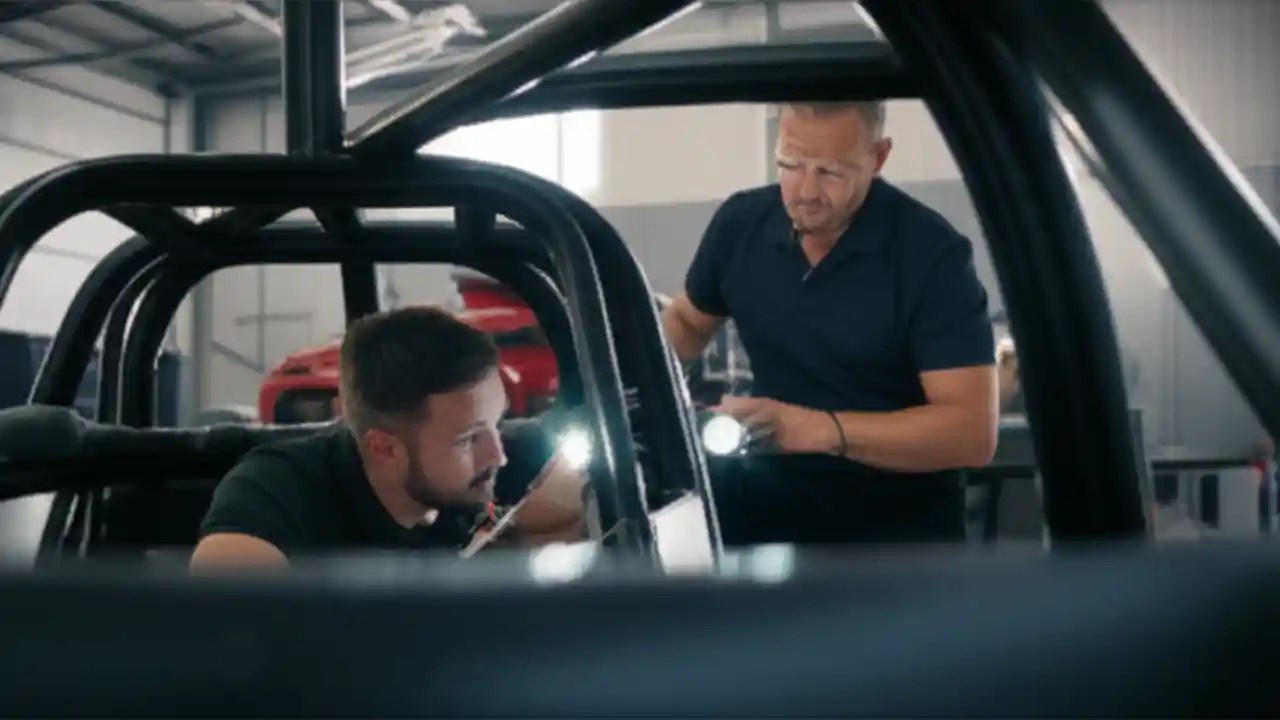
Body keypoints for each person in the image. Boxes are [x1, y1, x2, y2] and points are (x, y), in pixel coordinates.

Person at [661, 101, 998, 543]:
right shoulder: (740, 224)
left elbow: (971, 434)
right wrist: (632, 393)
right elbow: (686, 322)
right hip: (761, 509)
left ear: (878, 157)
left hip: (897, 534)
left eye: (830, 172)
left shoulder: (932, 256)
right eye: (790, 164)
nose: (805, 191)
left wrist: (816, 429)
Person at [190, 307, 585, 570]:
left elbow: (596, 488)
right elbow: (226, 623)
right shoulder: (278, 489)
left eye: (497, 424)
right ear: (385, 448)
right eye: (468, 439)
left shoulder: (493, 468)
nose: (497, 455)